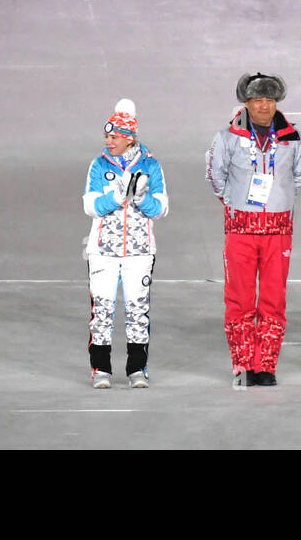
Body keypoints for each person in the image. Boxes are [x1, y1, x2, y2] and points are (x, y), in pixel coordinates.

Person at [206, 72, 301, 387]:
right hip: (241, 229)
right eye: (258, 100)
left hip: (278, 230)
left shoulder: (294, 138)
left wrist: (278, 201)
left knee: (273, 300)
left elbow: (299, 177)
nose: (264, 106)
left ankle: (266, 365)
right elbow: (216, 177)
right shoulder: (226, 138)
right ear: (246, 103)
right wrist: (238, 204)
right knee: (239, 299)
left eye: (269, 100)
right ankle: (242, 364)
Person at [82, 99, 168, 389]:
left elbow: (162, 207)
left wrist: (142, 200)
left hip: (140, 251)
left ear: (129, 137)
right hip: (103, 250)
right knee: (102, 310)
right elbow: (90, 205)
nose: (108, 141)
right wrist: (117, 197)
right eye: (107, 136)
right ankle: (101, 369)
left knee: (137, 309)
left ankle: (137, 369)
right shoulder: (99, 164)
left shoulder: (151, 164)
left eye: (114, 136)